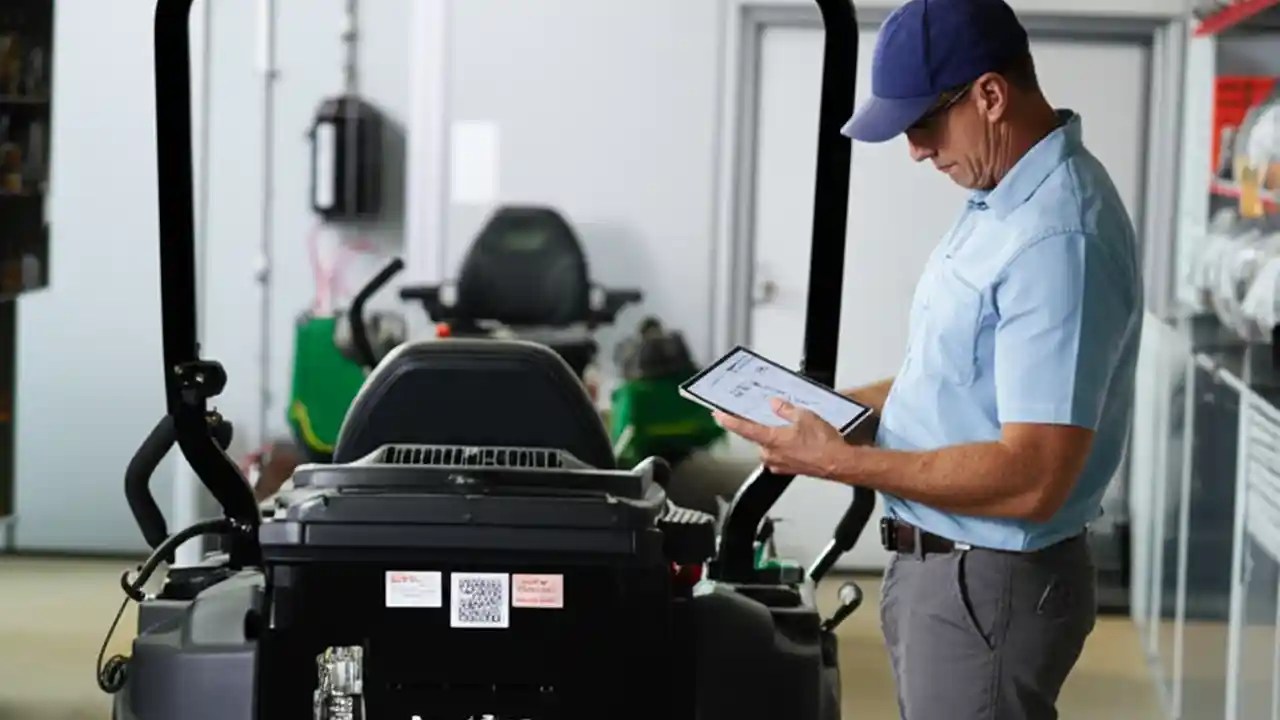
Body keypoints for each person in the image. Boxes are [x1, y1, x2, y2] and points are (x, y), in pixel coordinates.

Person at [714, 0, 1143, 718]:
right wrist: (830, 413)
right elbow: (954, 380)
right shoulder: (999, 202)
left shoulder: (1054, 239)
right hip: (952, 573)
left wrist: (838, 462)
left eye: (922, 123)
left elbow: (1034, 476)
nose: (914, 149)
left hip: (989, 586)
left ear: (991, 96)